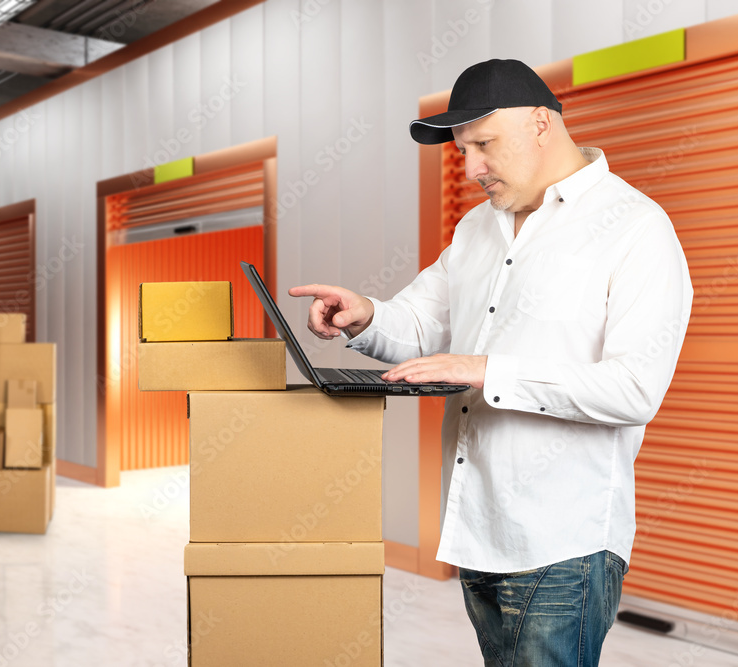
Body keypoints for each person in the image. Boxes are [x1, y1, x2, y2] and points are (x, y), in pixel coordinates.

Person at [290, 59, 693, 666]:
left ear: (540, 124)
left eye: (484, 144)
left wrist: (487, 369)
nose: (471, 166)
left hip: (564, 544)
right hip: (478, 529)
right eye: (462, 149)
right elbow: (422, 327)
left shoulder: (635, 228)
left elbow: (634, 390)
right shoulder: (477, 227)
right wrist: (366, 315)